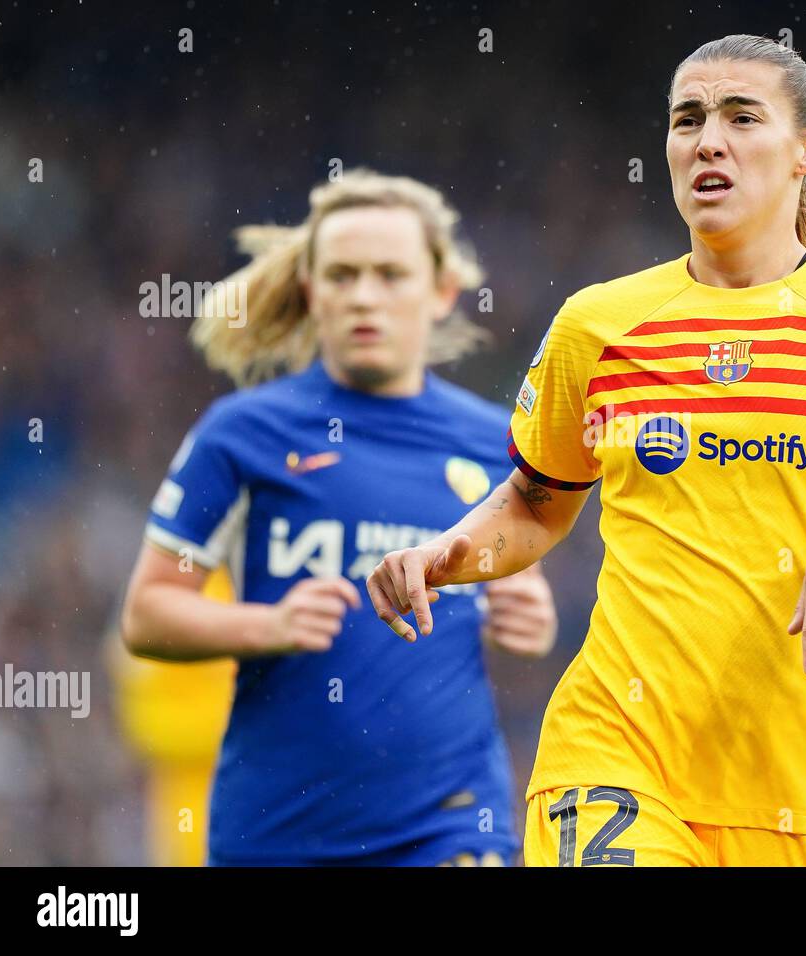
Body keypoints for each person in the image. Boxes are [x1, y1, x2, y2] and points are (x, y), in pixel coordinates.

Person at [367, 35, 806, 867]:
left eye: (741, 117)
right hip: (617, 753)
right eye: (688, 119)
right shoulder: (600, 324)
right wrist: (449, 553)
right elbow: (537, 503)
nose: (707, 139)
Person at [121, 169, 558, 866]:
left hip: (450, 826)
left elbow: (521, 590)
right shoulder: (240, 434)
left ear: (441, 291)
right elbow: (146, 615)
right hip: (276, 830)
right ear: (309, 290)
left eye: (390, 274)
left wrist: (529, 616)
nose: (364, 296)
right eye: (342, 274)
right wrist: (266, 626)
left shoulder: (496, 441)